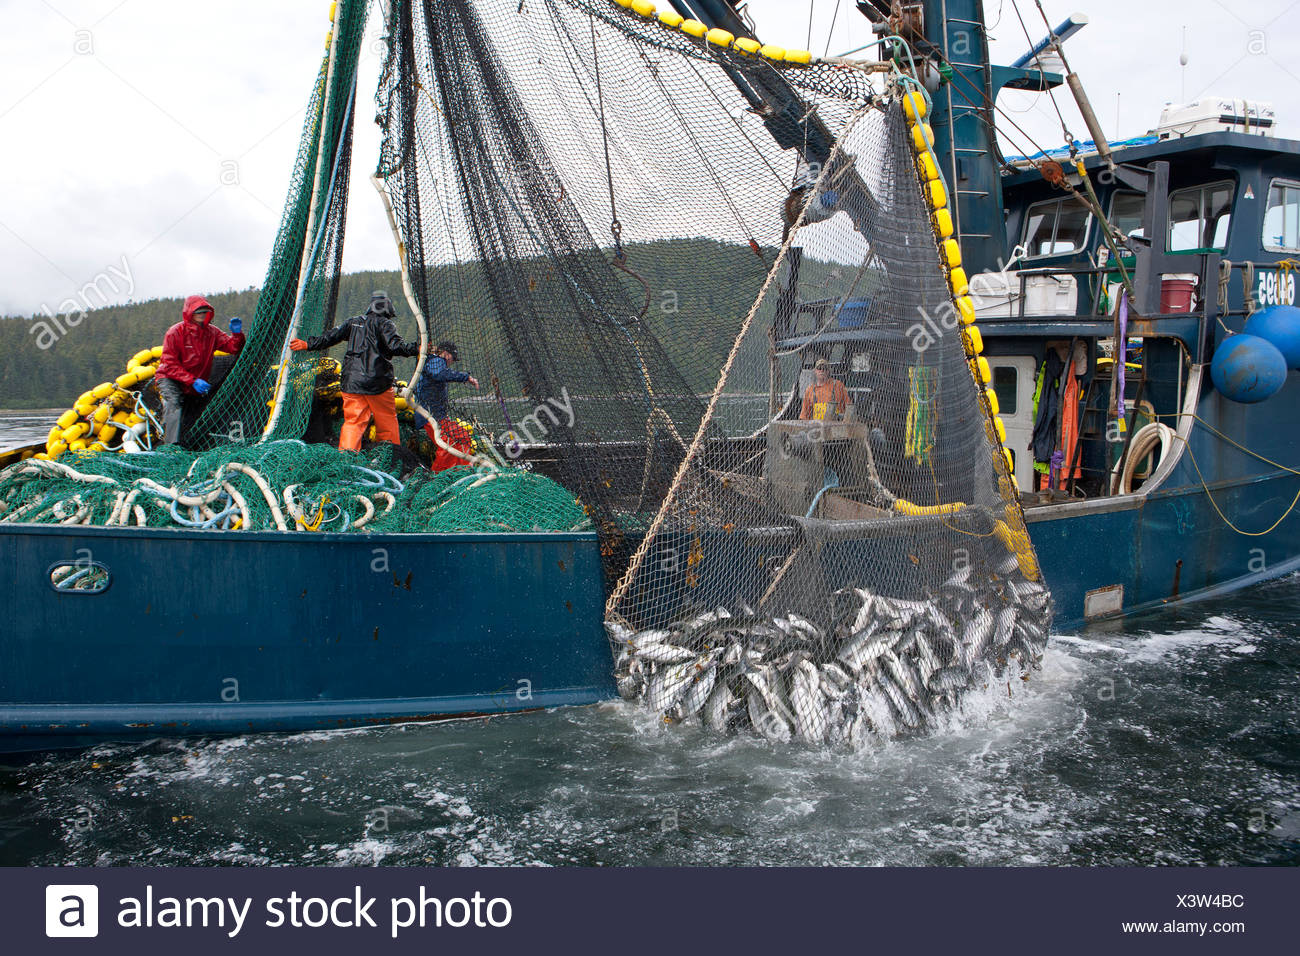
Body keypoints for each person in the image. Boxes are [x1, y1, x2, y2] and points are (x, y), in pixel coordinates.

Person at [289, 291, 419, 452]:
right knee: (386, 420)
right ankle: (390, 455)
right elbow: (395, 346)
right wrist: (417, 348)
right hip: (378, 382)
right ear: (388, 310)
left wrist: (307, 344)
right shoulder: (386, 324)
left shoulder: (353, 322)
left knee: (353, 422)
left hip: (351, 381)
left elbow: (331, 337)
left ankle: (347, 457)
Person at [156, 295, 245, 445]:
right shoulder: (175, 332)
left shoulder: (212, 333)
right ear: (189, 313)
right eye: (198, 312)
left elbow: (232, 347)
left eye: (205, 311)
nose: (202, 315)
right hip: (170, 378)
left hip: (195, 383)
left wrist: (237, 334)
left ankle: (194, 443)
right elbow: (169, 365)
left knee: (196, 412)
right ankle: (170, 446)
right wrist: (193, 380)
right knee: (174, 402)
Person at [413, 340, 479, 472]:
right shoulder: (436, 360)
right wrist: (465, 377)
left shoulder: (433, 361)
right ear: (446, 354)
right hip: (429, 416)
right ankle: (437, 475)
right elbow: (439, 374)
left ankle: (461, 469)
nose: (451, 362)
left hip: (437, 416)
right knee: (447, 443)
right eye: (453, 359)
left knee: (462, 436)